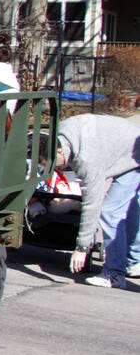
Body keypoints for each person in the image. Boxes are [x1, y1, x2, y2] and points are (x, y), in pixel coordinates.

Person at [55, 114, 140, 288]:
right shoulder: (62, 131)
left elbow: (91, 203)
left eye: (55, 163)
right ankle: (135, 261)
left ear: (60, 151)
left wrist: (82, 248)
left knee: (110, 210)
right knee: (128, 207)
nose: (57, 168)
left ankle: (114, 275)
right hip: (127, 144)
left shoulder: (87, 158)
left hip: (134, 152)